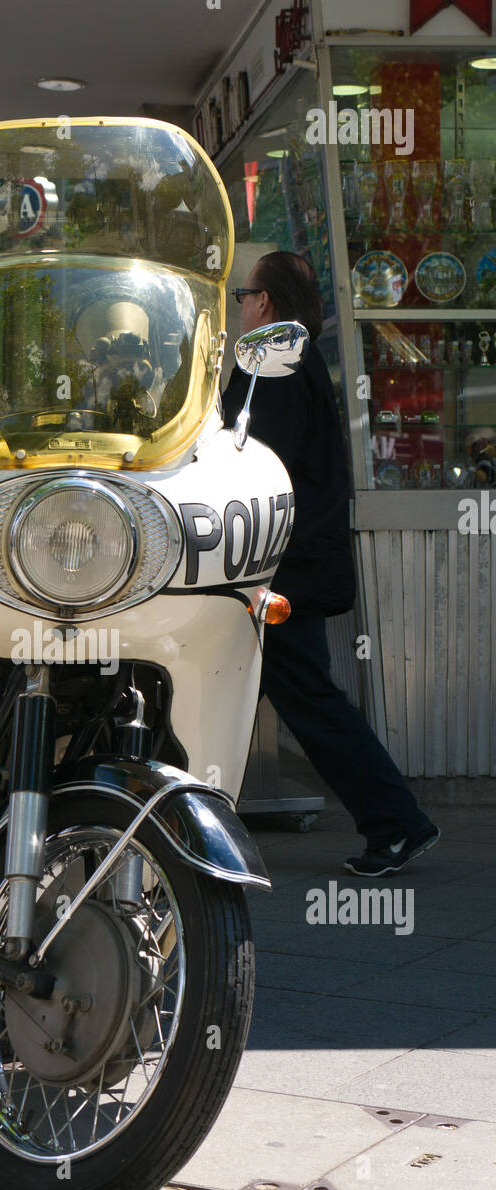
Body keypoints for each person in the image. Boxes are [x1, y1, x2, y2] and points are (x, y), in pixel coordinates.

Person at [222, 252, 439, 877]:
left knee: (309, 697)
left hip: (279, 568)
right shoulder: (292, 357)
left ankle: (396, 823)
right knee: (282, 691)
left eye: (243, 296)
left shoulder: (275, 362)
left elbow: (255, 463)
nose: (241, 306)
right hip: (285, 562)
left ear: (264, 302)